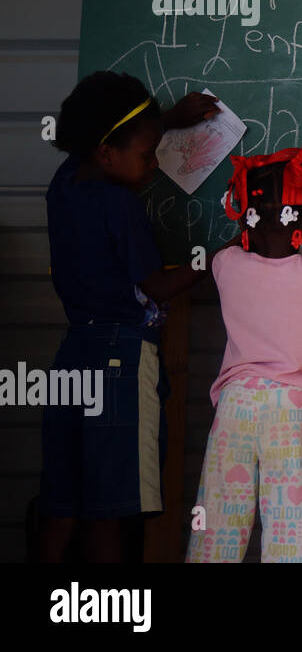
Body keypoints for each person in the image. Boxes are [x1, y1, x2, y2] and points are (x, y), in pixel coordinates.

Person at [40, 71, 218, 562]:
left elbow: (112, 141)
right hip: (122, 360)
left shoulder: (65, 182)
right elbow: (156, 286)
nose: (152, 165)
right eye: (148, 156)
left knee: (63, 503)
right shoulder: (121, 205)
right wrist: (214, 259)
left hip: (73, 354)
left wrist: (167, 121)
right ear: (106, 153)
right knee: (112, 510)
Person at [186, 146, 302, 563]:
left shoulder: (225, 265)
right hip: (291, 408)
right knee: (289, 523)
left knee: (218, 516)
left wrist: (248, 222)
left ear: (243, 213)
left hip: (236, 404)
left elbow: (232, 246)